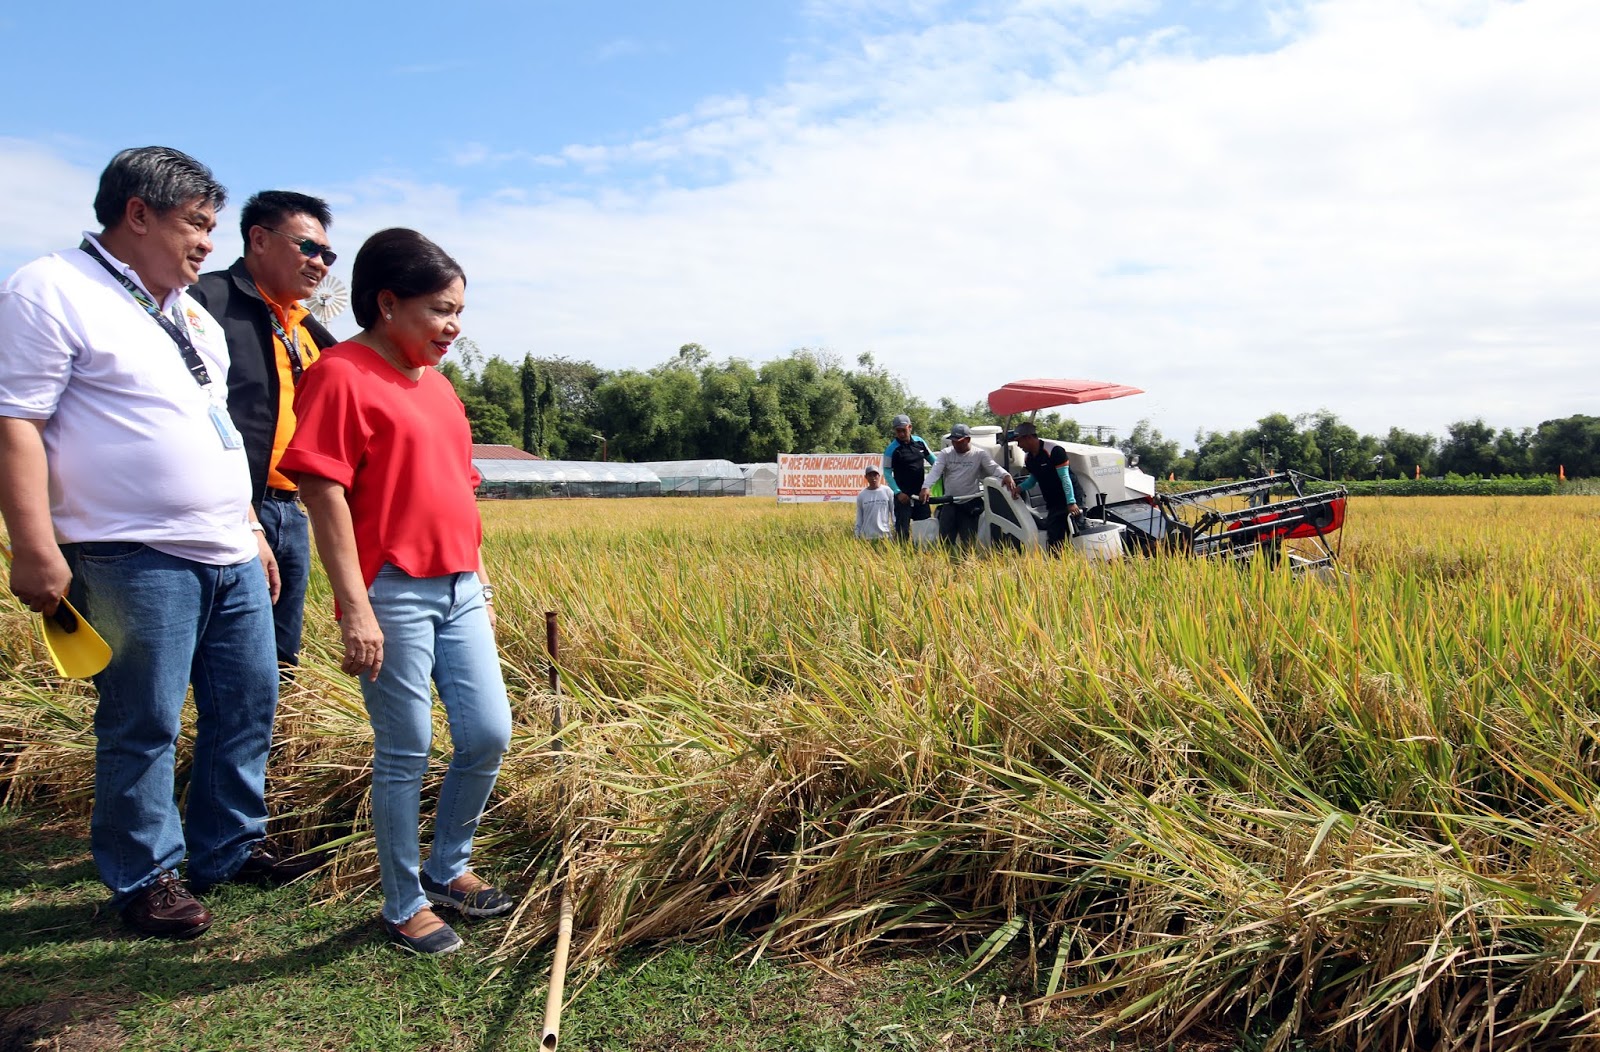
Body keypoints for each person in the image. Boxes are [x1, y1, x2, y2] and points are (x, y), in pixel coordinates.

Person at [0, 147, 316, 940]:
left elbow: (213, 431)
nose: (208, 243)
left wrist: (251, 530)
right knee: (144, 720)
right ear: (136, 214)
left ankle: (230, 846)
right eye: (196, 224)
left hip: (229, 548)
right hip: (129, 551)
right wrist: (33, 546)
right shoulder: (51, 289)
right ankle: (145, 875)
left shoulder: (189, 313)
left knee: (249, 703)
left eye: (211, 226)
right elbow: (17, 423)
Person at [280, 228, 514, 956]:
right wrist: (355, 606)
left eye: (460, 313)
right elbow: (322, 490)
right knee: (406, 747)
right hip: (392, 590)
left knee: (487, 734)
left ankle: (450, 867)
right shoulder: (342, 374)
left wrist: (479, 576)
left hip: (458, 586)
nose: (453, 327)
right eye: (441, 309)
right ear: (388, 302)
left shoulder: (440, 388)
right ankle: (402, 900)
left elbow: (458, 490)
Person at [190, 192, 338, 674]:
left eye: (327, 255)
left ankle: (272, 747)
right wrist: (242, 512)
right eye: (309, 249)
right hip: (231, 509)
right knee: (228, 662)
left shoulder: (309, 329)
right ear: (258, 238)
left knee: (278, 658)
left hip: (292, 510)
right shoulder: (204, 303)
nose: (320, 264)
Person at [920, 423, 1018, 548]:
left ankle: (966, 563)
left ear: (968, 439)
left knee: (968, 541)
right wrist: (926, 487)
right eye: (953, 441)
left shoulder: (979, 454)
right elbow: (935, 471)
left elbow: (993, 468)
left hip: (969, 503)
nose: (955, 444)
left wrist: (1006, 475)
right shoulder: (946, 453)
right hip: (950, 502)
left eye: (959, 441)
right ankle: (948, 563)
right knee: (945, 539)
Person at [1013, 421, 1082, 554]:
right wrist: (1019, 488)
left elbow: (1065, 478)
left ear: (1028, 438)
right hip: (1053, 503)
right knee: (1055, 538)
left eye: (1019, 441)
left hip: (1071, 498)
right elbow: (1033, 479)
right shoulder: (1029, 458)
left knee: (1076, 533)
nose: (1019, 446)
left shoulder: (1054, 451)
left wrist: (1071, 502)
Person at [881, 414, 936, 541]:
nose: (901, 434)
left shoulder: (920, 442)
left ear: (910, 427)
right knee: (902, 532)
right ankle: (902, 556)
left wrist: (928, 486)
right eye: (897, 431)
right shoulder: (891, 449)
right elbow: (887, 473)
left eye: (903, 430)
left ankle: (924, 555)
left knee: (924, 530)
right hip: (903, 497)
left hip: (921, 495)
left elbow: (935, 462)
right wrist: (898, 493)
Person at [854, 466, 894, 540]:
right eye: (870, 475)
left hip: (885, 536)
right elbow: (859, 517)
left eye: (875, 475)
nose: (873, 478)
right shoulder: (862, 495)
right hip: (867, 537)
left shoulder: (887, 491)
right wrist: (857, 535)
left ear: (879, 476)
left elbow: (893, 513)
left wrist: (896, 531)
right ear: (866, 477)